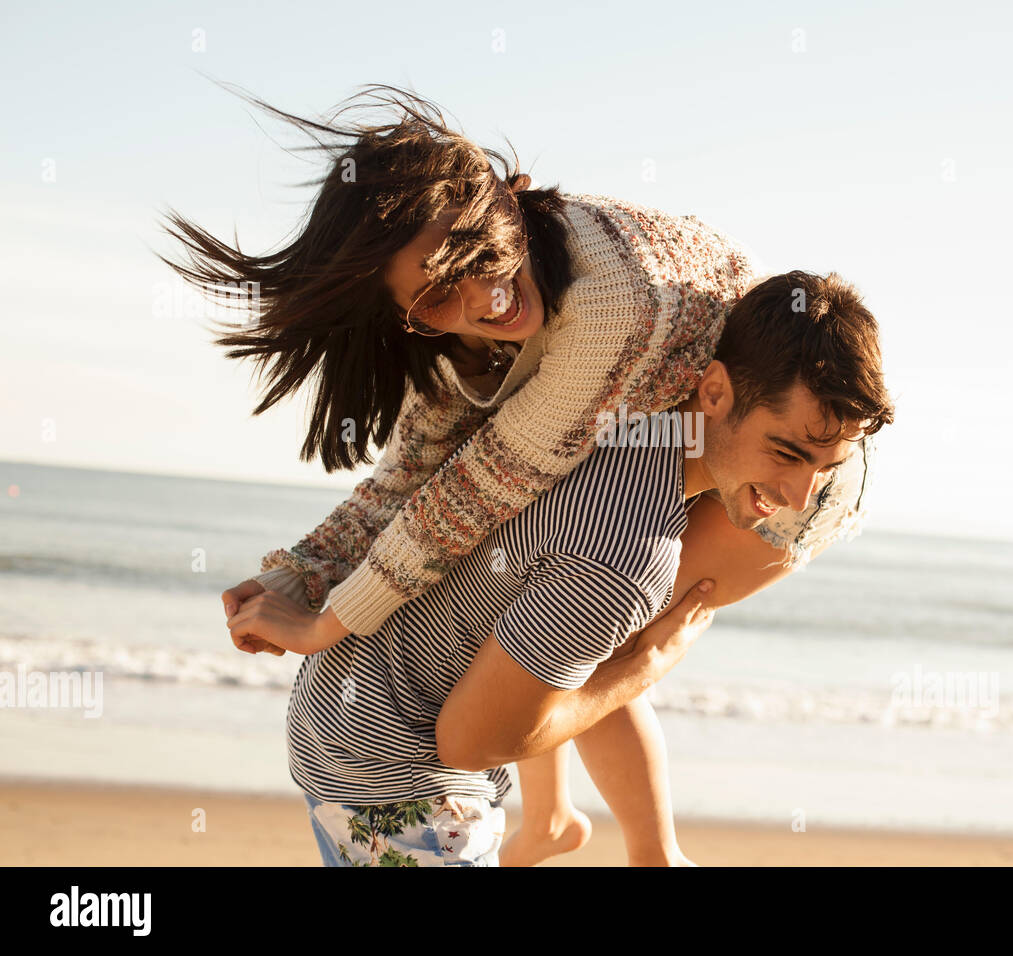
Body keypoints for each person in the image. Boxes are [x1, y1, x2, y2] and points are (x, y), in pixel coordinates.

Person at [162, 83, 890, 863]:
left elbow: (470, 499)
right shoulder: (463, 344)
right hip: (682, 419)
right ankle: (549, 817)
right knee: (551, 602)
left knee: (602, 619)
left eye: (479, 258)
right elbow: (408, 482)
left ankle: (653, 852)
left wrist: (327, 622)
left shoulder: (610, 311)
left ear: (509, 202)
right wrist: (302, 575)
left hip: (784, 430)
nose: (486, 296)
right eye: (438, 294)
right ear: (402, 311)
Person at [227, 271, 893, 865]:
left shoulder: (609, 410)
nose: (800, 499)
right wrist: (640, 670)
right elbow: (471, 740)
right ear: (714, 390)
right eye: (786, 451)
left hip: (343, 725)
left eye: (825, 472)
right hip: (399, 783)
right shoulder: (627, 558)